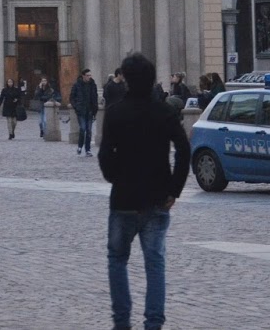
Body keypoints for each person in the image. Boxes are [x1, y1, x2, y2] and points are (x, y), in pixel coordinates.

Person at [98, 52, 190, 330]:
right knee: (155, 263)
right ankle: (153, 323)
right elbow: (184, 150)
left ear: (125, 79)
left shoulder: (115, 112)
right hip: (158, 198)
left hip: (124, 198)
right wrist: (175, 189)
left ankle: (122, 322)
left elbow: (104, 155)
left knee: (117, 260)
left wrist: (114, 176)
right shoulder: (164, 111)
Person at [70, 68, 100, 156]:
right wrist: (76, 106)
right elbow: (72, 97)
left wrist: (95, 109)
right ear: (83, 76)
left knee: (89, 130)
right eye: (87, 75)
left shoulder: (93, 85)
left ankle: (88, 150)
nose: (89, 77)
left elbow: (95, 97)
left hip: (90, 110)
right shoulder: (77, 85)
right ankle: (80, 146)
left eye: (90, 75)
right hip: (81, 110)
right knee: (83, 129)